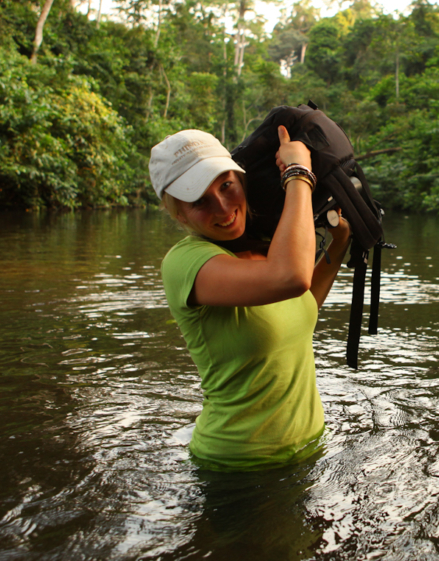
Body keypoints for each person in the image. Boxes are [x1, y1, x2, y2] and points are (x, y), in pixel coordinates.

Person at [149, 127, 352, 471]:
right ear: (179, 214)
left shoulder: (265, 248)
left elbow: (300, 302)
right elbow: (291, 278)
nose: (223, 207)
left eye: (226, 186)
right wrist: (298, 173)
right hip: (238, 467)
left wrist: (339, 242)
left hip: (310, 449)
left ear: (242, 180)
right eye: (199, 201)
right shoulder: (185, 263)